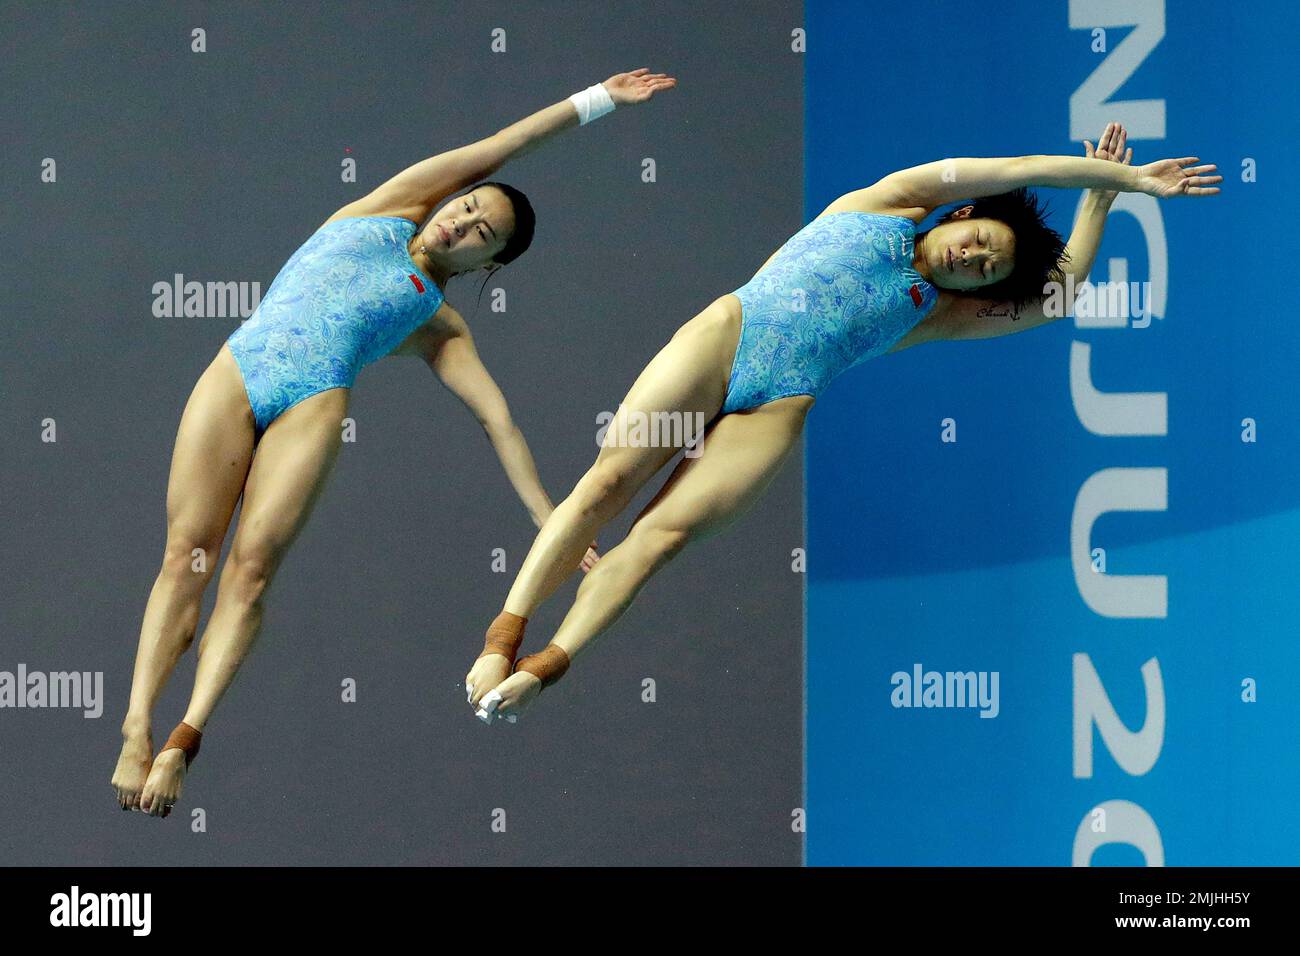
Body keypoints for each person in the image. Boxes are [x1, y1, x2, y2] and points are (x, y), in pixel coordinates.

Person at [464, 122, 1220, 722]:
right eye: (980, 241)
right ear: (962, 217)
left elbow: (1058, 296)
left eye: (987, 268)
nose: (973, 258)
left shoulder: (939, 316)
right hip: (727, 339)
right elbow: (1015, 166)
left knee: (658, 539)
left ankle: (545, 668)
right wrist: (1115, 174)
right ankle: (503, 640)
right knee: (607, 486)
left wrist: (1101, 207)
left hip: (777, 405)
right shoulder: (891, 199)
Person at [111, 68, 677, 816]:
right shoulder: (386, 207)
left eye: (482, 235)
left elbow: (497, 418)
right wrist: (600, 99)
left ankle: (183, 739)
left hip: (310, 408)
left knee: (247, 576)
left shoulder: (437, 323)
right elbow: (505, 144)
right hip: (237, 373)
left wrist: (550, 521)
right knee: (188, 555)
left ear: (489, 265)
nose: (462, 223)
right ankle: (134, 731)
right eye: (467, 207)